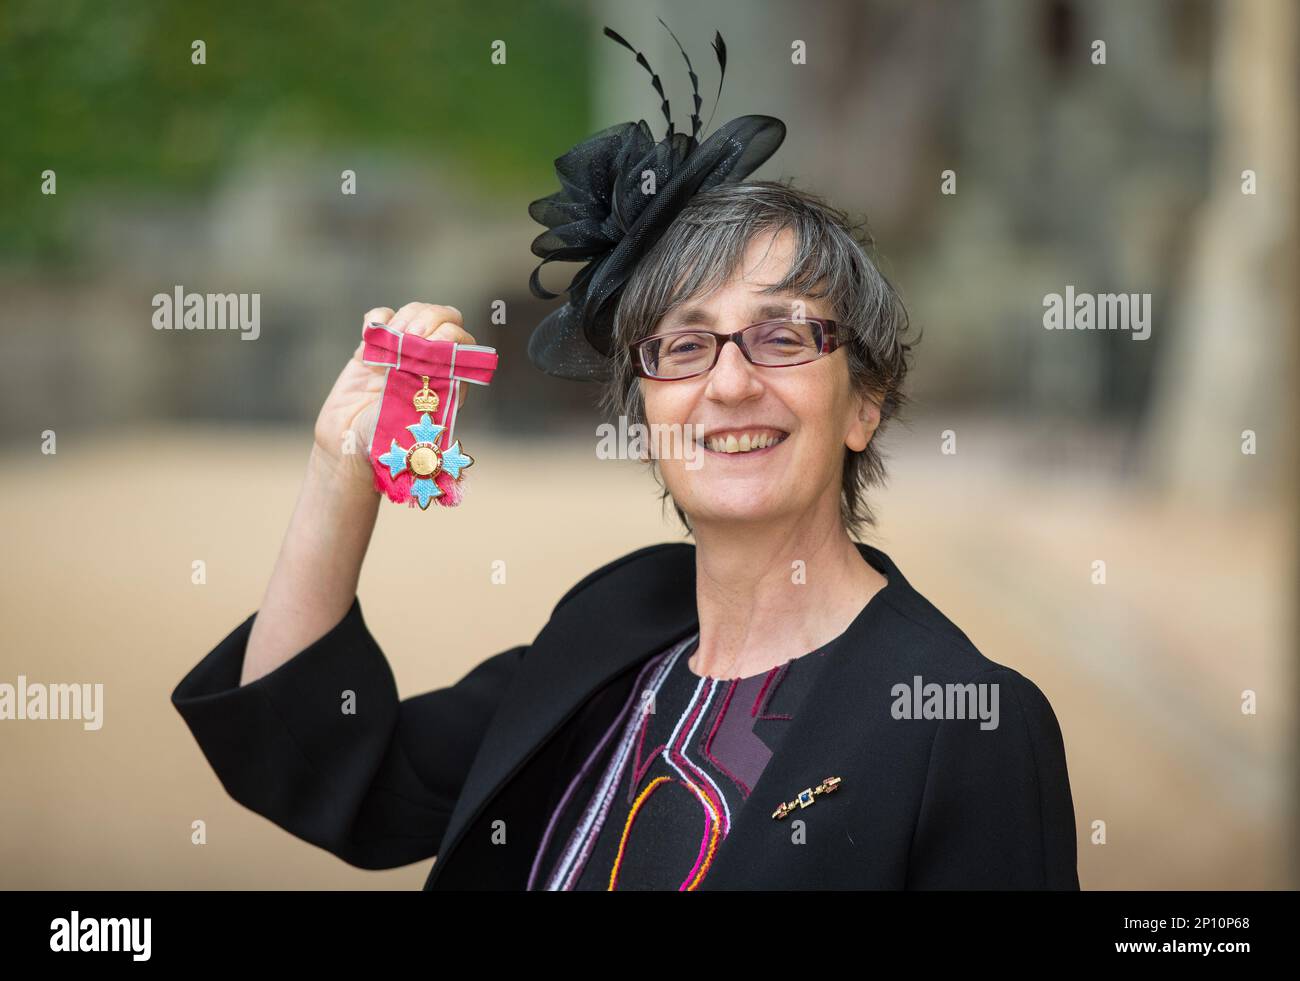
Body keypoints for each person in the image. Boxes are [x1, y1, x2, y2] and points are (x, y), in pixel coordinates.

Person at [172, 24, 1079, 891]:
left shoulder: (968, 720)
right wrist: (341, 470)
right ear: (645, 411)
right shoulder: (614, 624)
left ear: (865, 402)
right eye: (684, 347)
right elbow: (323, 765)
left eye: (782, 336)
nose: (728, 383)